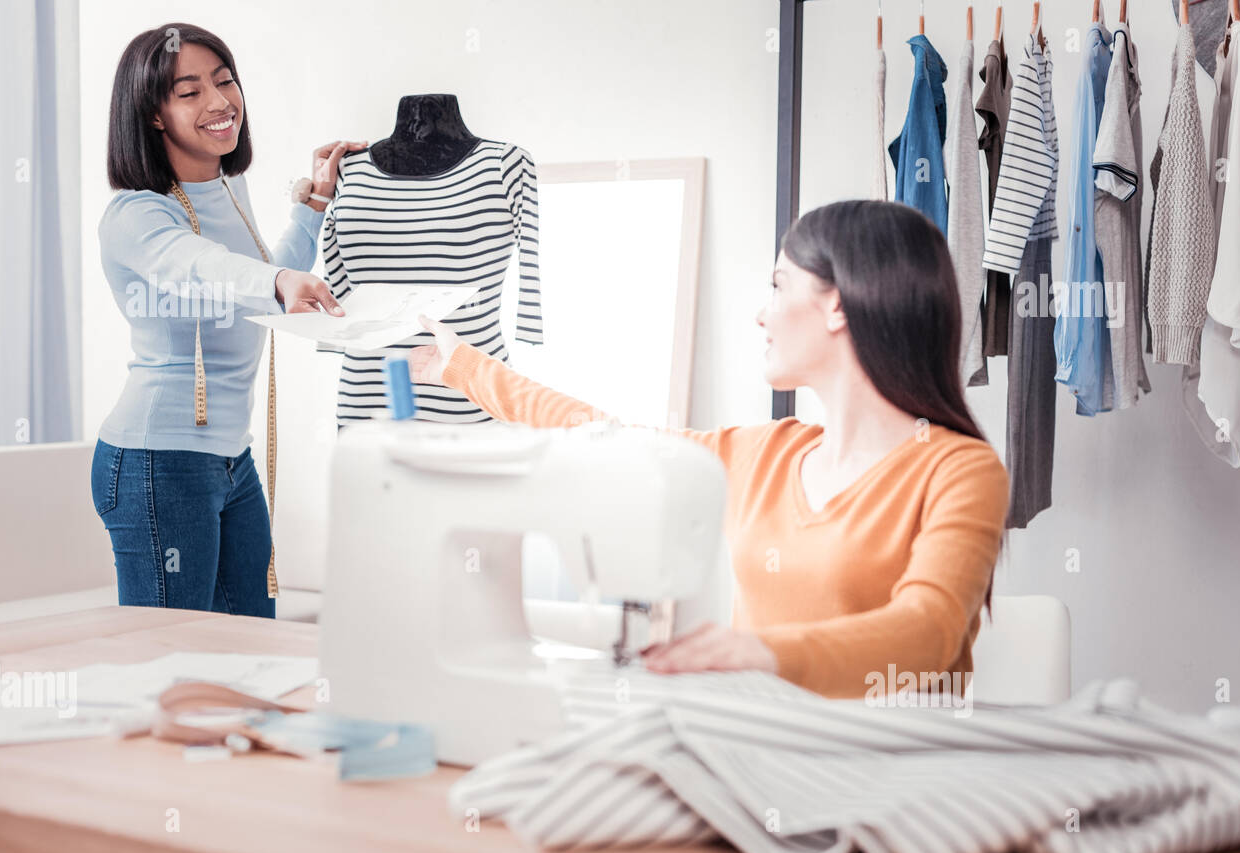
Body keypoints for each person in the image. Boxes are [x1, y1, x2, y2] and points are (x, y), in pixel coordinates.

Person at [408, 200, 1010, 698]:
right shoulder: (762, 455)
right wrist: (462, 367)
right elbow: (601, 435)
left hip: (893, 779)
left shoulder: (960, 470)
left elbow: (925, 631)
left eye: (778, 286)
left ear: (836, 305)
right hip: (759, 752)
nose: (761, 314)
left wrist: (756, 652)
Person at [92, 22, 363, 617]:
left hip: (229, 460)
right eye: (189, 92)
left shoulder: (229, 188)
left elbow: (260, 283)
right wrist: (272, 280)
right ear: (154, 113)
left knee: (250, 637)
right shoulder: (135, 215)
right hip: (156, 462)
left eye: (225, 81)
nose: (220, 102)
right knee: (173, 652)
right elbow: (200, 266)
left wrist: (314, 204)